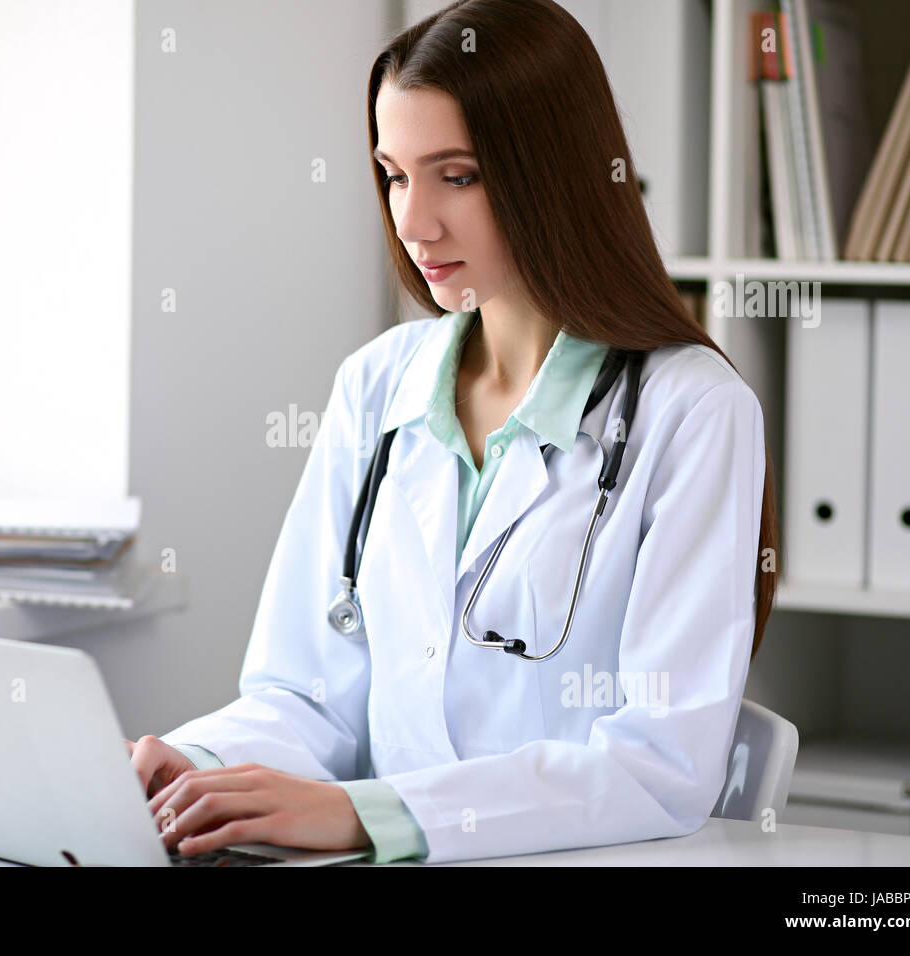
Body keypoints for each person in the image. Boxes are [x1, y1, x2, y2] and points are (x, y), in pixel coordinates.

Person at [128, 0, 778, 865]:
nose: (412, 220)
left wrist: (372, 816)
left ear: (556, 173)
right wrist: (198, 766)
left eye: (457, 175)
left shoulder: (692, 413)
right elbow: (307, 694)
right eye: (394, 174)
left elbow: (658, 765)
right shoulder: (376, 385)